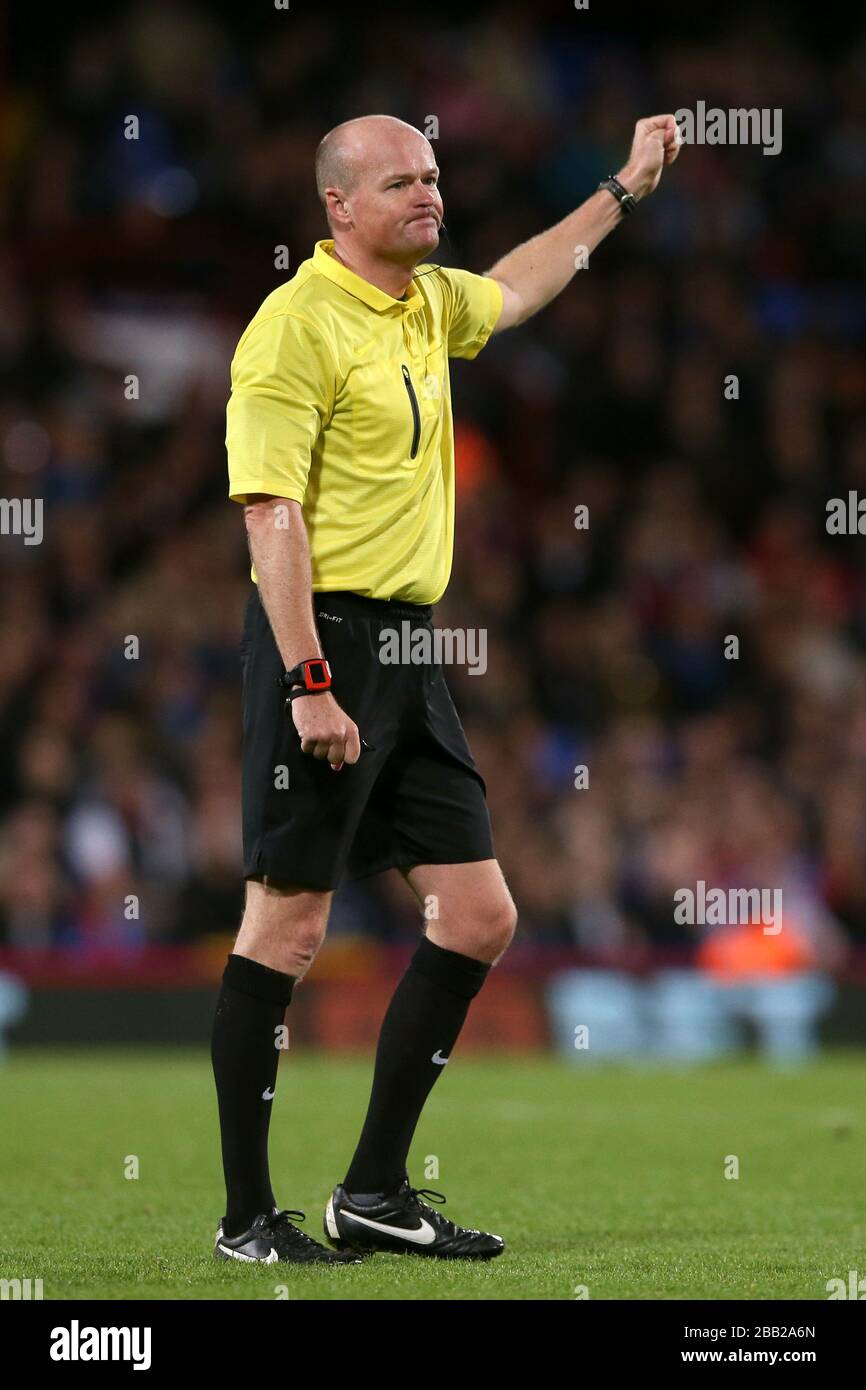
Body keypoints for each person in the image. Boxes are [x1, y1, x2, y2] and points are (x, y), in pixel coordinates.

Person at [212, 112, 680, 1264]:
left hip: (408, 648)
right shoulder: (293, 329)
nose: (427, 196)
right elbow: (271, 516)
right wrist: (308, 678)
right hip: (318, 641)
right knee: (286, 925)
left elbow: (519, 285)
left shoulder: (424, 303)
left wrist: (619, 189)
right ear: (336, 207)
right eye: (398, 183)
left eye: (431, 177)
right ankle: (242, 1218)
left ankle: (372, 1191)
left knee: (478, 915)